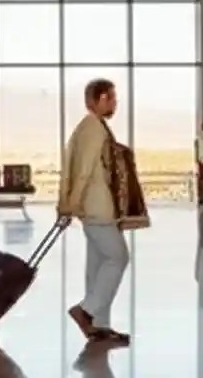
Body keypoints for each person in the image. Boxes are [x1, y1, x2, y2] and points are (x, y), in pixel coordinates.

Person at [57, 78, 130, 346]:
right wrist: (70, 204)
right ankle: (86, 311)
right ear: (100, 99)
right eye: (112, 98)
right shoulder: (94, 130)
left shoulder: (90, 127)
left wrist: (69, 203)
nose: (115, 104)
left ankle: (99, 325)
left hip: (95, 207)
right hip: (97, 207)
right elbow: (84, 170)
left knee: (98, 265)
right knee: (118, 258)